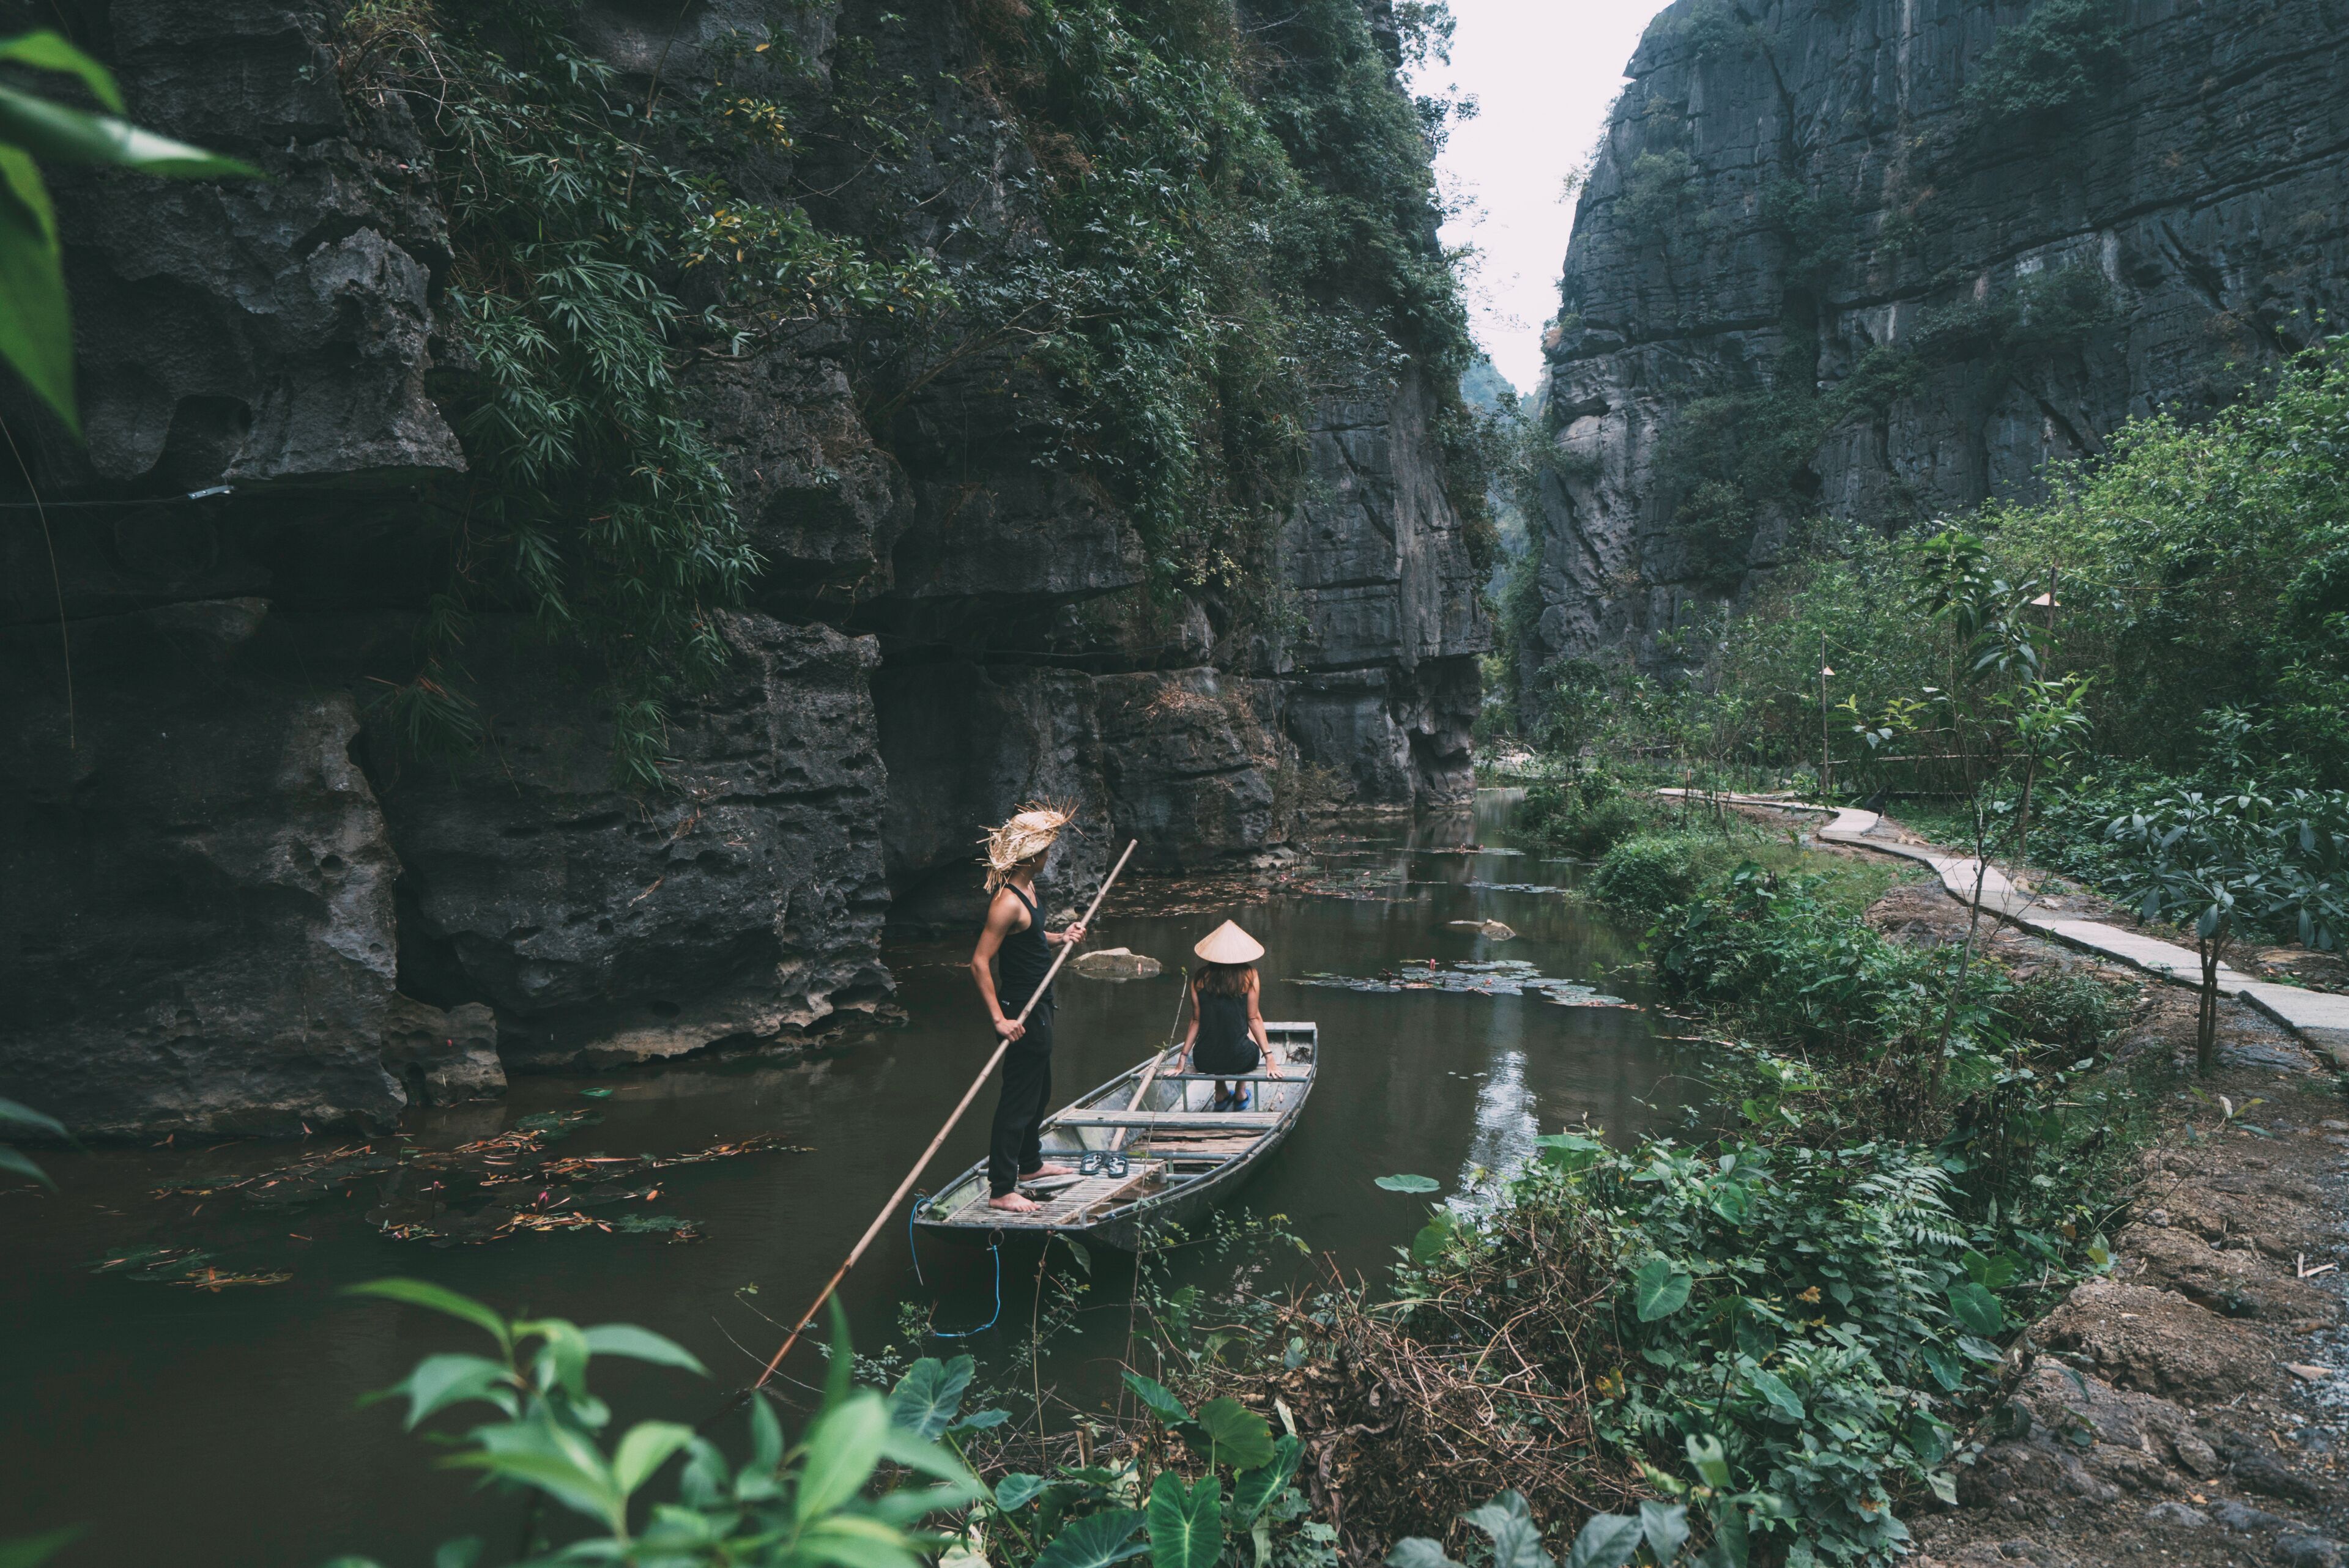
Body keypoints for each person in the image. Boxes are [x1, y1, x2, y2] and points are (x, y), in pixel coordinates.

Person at [969, 804, 1087, 1213]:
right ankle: (1002, 1188)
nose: (1049, 855)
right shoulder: (1006, 902)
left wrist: (1062, 936)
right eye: (1046, 849)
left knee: (1040, 1092)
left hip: (1041, 1005)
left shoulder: (1029, 891)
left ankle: (1030, 1164)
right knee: (1018, 1099)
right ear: (1033, 855)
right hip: (1020, 1011)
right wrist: (1000, 1020)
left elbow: (1032, 939)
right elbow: (980, 962)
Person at [1179, 920, 1282, 1111]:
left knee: (1216, 1030)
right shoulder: (1249, 975)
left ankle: (1220, 1093)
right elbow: (1253, 1018)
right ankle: (1241, 1092)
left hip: (1204, 1060)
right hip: (1240, 1059)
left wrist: (1183, 1057)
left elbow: (1196, 1020)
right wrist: (1269, 1057)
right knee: (1247, 1028)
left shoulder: (1200, 978)